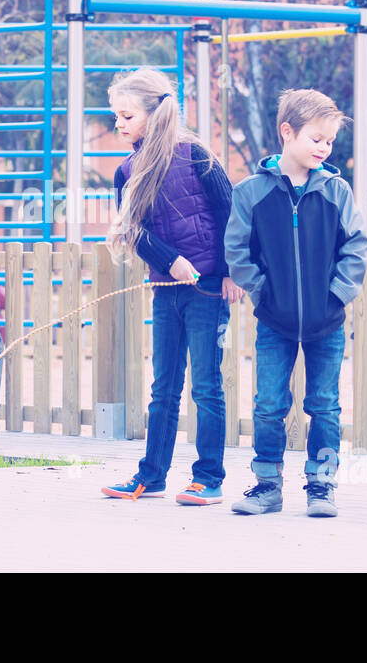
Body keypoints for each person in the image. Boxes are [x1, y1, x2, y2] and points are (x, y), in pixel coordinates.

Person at [97, 70, 243, 506]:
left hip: (207, 291)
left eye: (126, 115)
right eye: (116, 116)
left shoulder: (196, 155)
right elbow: (133, 231)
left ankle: (208, 478)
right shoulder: (126, 171)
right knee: (163, 387)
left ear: (154, 112)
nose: (119, 124)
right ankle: (151, 475)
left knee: (206, 386)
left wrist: (232, 272)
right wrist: (169, 261)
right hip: (166, 289)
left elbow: (231, 212)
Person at [224, 89, 367, 517]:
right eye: (317, 138)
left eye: (329, 141)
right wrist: (262, 291)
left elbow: (357, 248)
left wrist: (337, 295)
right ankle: (267, 485)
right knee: (269, 404)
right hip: (274, 320)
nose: (324, 148)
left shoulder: (336, 191)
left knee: (323, 405)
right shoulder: (251, 192)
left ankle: (321, 486)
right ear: (287, 132)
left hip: (327, 322)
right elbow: (237, 249)